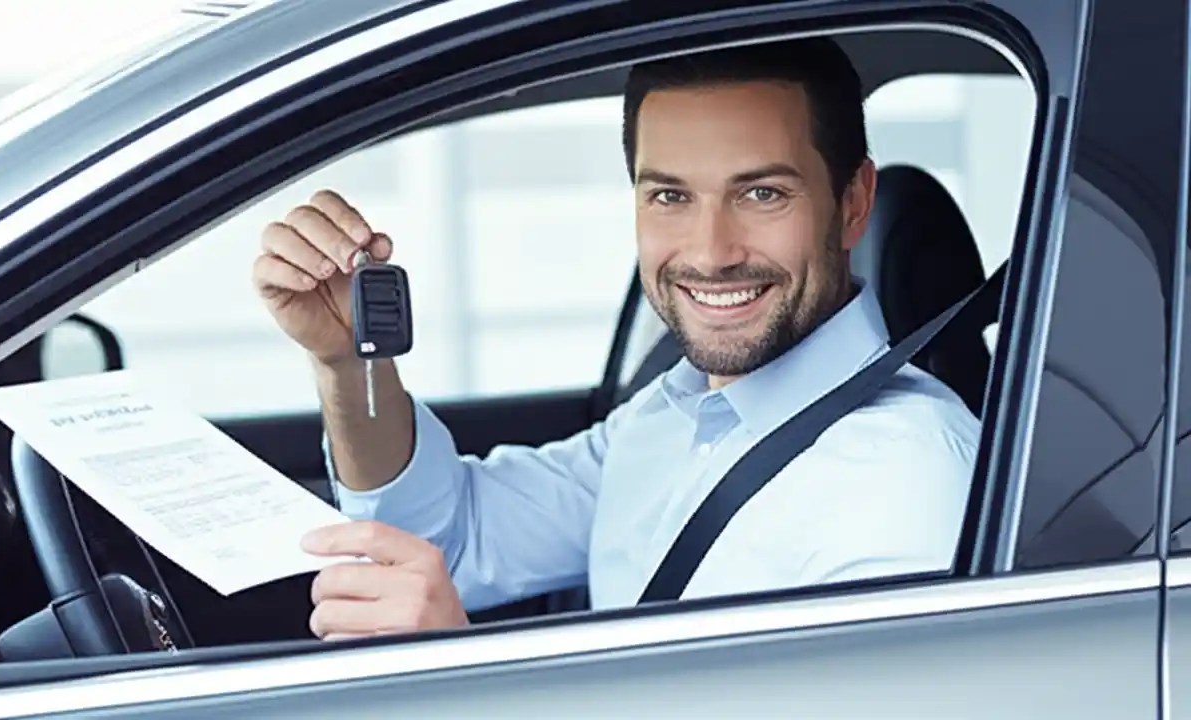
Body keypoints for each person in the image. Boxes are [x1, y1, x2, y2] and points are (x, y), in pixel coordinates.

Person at [251, 38, 980, 640]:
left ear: (852, 204)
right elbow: (451, 539)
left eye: (762, 194)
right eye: (670, 196)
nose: (712, 251)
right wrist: (346, 361)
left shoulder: (905, 478)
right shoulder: (675, 416)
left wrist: (470, 684)